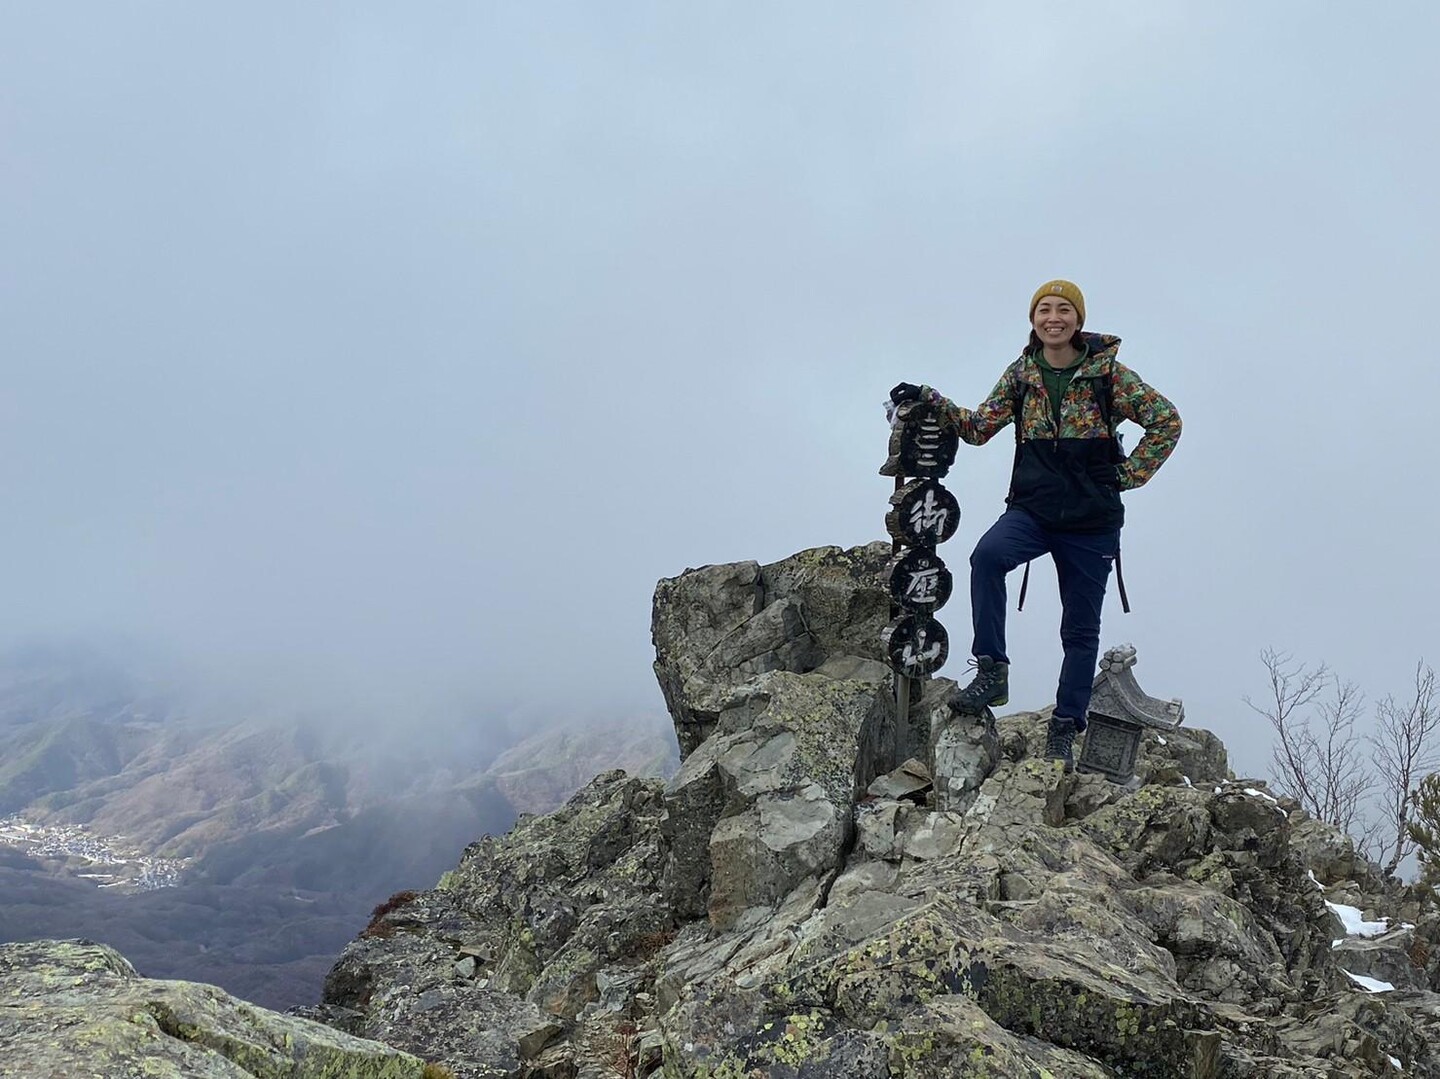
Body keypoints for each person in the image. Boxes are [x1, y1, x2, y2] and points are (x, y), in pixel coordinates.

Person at [890, 279, 1181, 769]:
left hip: (1091, 524)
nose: (1054, 318)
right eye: (1044, 309)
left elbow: (1166, 420)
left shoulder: (1108, 375)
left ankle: (1065, 728)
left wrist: (1126, 477)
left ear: (1078, 320)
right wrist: (931, 398)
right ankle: (992, 670)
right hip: (1033, 512)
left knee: (1081, 629)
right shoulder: (1023, 374)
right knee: (986, 558)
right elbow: (979, 428)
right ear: (1033, 320)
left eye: (1063, 310)